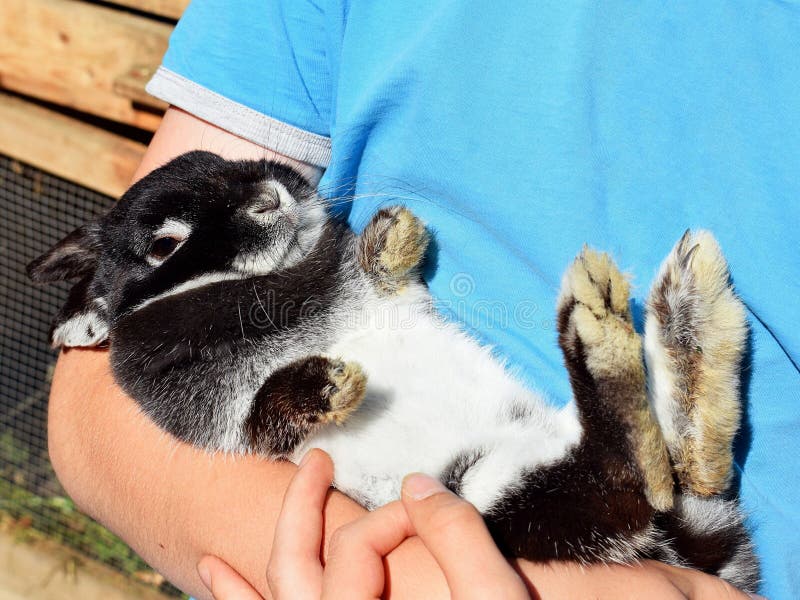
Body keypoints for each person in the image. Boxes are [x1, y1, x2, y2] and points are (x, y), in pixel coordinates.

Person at [47, 2, 799, 599]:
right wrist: (398, 579)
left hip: (503, 511)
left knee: (514, 480)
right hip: (436, 524)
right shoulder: (159, 335)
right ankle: (653, 430)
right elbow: (100, 418)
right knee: (514, 479)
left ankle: (643, 438)